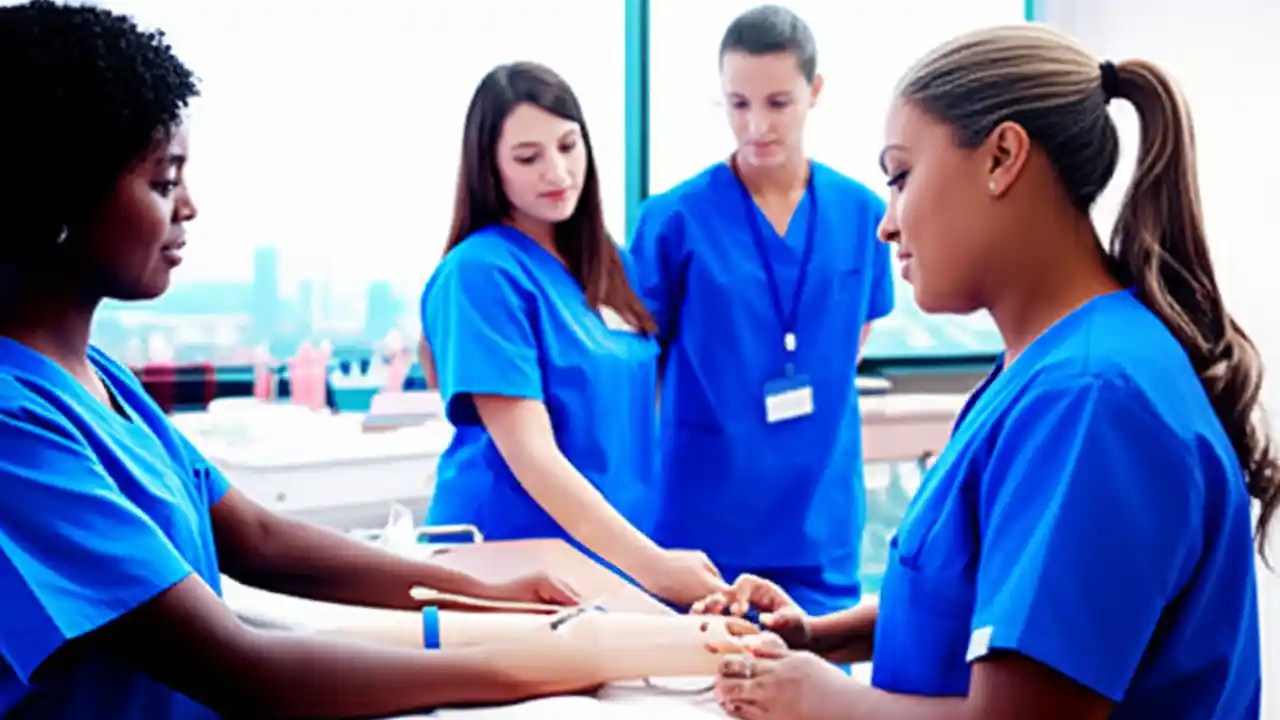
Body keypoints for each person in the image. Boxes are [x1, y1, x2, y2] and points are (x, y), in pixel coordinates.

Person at [0, 3, 697, 717]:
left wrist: (481, 596)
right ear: (59, 196)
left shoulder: (104, 382)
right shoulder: (13, 428)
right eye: (163, 180)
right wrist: (543, 664)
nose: (190, 207)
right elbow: (245, 668)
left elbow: (260, 540)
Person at [698, 23, 1275, 720]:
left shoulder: (1090, 400)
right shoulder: (1042, 369)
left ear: (1002, 156)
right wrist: (820, 640)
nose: (887, 224)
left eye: (902, 176)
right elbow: (989, 600)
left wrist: (826, 702)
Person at [418, 62, 726, 608]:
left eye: (568, 145)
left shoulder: (609, 266)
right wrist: (654, 567)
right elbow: (532, 453)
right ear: (489, 168)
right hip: (513, 562)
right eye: (528, 158)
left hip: (609, 556)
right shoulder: (481, 273)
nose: (557, 172)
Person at [627, 4, 895, 618]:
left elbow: (854, 338)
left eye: (778, 103)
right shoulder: (673, 220)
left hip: (817, 525)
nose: (756, 126)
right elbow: (641, 366)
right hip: (700, 528)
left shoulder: (861, 215)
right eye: (738, 103)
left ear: (815, 92)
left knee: (820, 697)